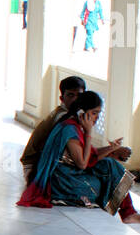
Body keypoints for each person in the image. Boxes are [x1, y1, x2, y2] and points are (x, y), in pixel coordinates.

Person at [18, 90, 139, 222]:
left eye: (98, 113)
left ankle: (129, 213)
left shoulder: (74, 125)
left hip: (70, 173)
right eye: (93, 113)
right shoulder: (69, 129)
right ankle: (128, 213)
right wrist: (88, 133)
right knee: (100, 186)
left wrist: (112, 149)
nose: (96, 118)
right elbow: (82, 163)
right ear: (81, 113)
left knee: (109, 164)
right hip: (62, 181)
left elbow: (90, 154)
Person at [20, 75, 86, 181]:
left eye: (79, 95)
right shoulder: (64, 117)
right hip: (34, 167)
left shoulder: (67, 114)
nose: (75, 99)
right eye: (70, 95)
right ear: (62, 98)